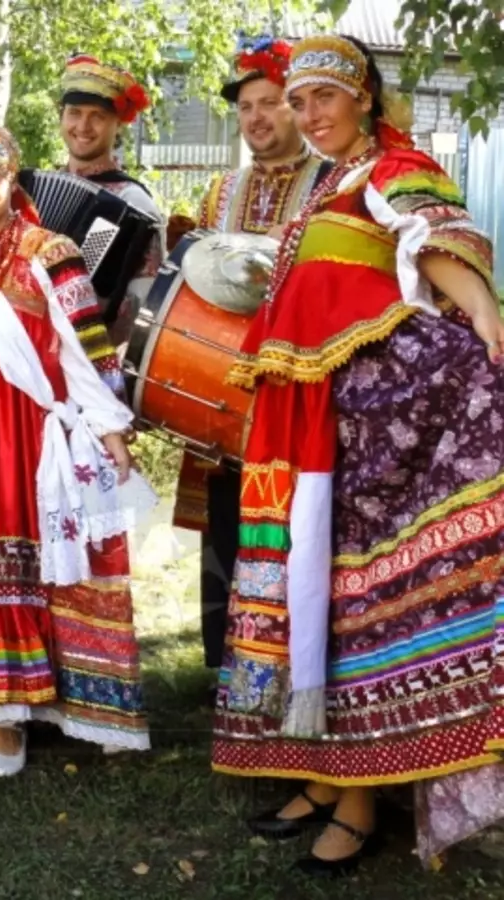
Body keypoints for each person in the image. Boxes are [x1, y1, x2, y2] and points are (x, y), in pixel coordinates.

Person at [212, 34, 504, 875]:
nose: (309, 116)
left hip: (365, 416)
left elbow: (437, 239)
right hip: (307, 411)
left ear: (366, 97)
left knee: (347, 589)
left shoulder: (392, 165)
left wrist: (482, 318)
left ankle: (362, 800)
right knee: (309, 587)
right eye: (297, 102)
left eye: (323, 99)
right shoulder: (327, 186)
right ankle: (324, 774)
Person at [0, 119, 157, 775]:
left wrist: (107, 425)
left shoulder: (52, 250)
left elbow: (84, 345)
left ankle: (11, 721)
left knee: (15, 569)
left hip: (21, 434)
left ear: (13, 180)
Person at [175, 37, 331, 685]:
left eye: (271, 103)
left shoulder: (330, 185)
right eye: (246, 107)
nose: (257, 118)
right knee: (226, 531)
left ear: (295, 109)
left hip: (300, 391)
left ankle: (298, 670)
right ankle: (227, 673)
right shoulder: (219, 191)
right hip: (220, 391)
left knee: (299, 535)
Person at [57, 53, 166, 349]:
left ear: (117, 125)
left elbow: (146, 299)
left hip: (93, 355)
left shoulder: (133, 203)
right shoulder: (32, 189)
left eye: (98, 116)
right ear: (61, 117)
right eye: (75, 113)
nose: (83, 126)